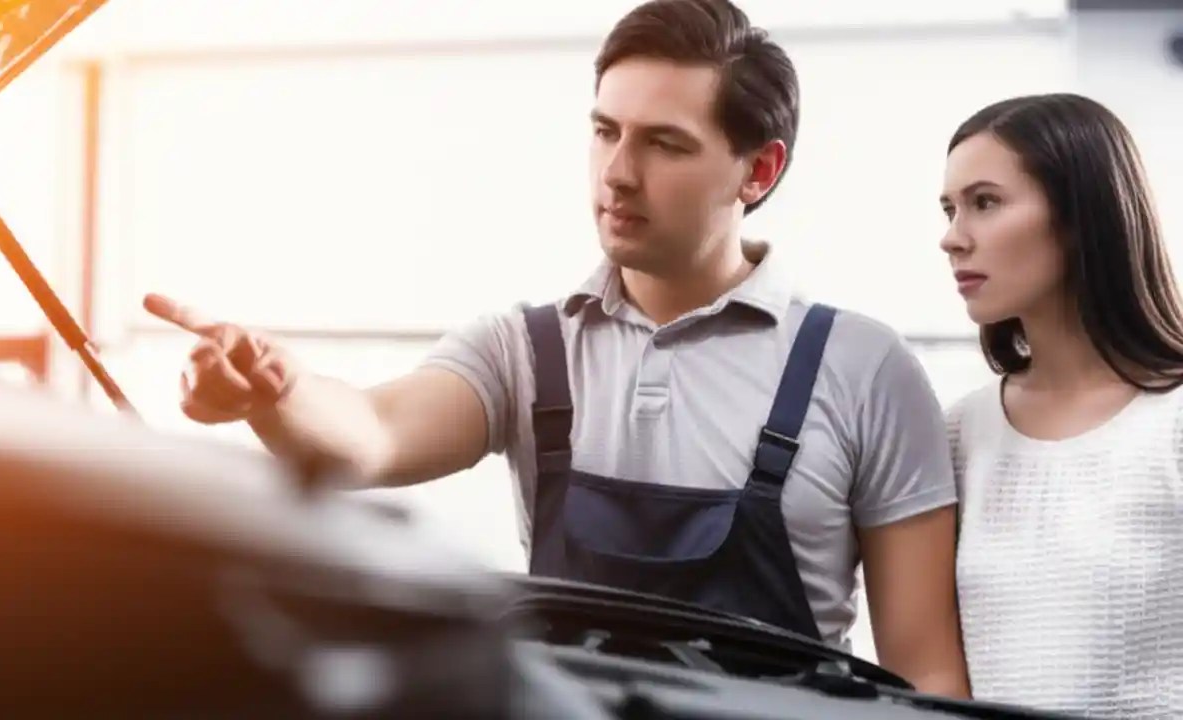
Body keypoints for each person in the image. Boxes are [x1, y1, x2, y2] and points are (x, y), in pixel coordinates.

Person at [146, 0, 969, 696]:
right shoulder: (525, 349)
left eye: (664, 143)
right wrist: (275, 390)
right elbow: (373, 433)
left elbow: (925, 671)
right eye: (605, 131)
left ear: (758, 171)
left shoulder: (865, 370)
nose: (617, 172)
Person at [941, 92, 1183, 717]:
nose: (951, 238)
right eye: (949, 209)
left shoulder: (1173, 423)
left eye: (985, 203)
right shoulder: (960, 434)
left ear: (1081, 215)